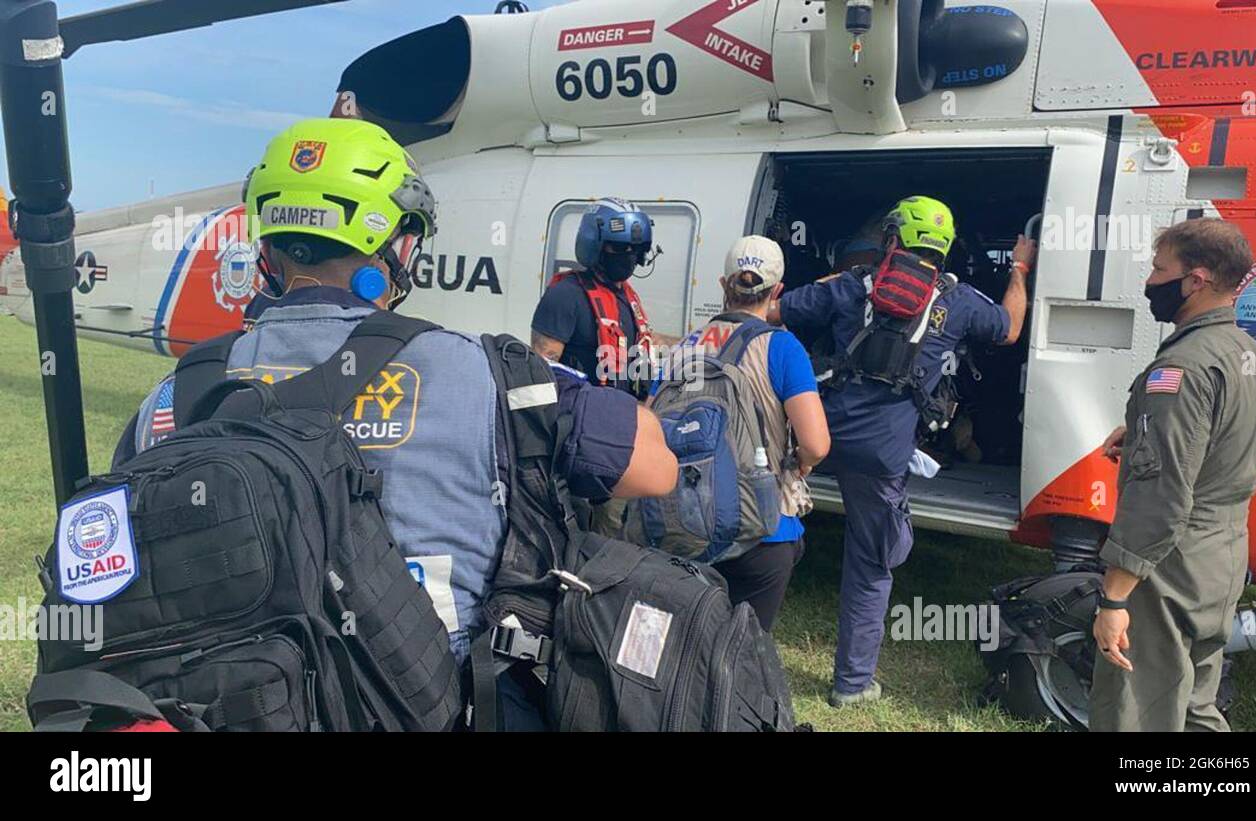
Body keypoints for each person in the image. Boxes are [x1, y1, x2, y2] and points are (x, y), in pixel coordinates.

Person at [112, 118, 678, 729]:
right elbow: (656, 467)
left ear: (268, 246)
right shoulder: (487, 372)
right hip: (429, 707)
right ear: (396, 244)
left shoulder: (178, 392)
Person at [773, 195, 1034, 707]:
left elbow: (777, 310)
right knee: (870, 565)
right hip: (882, 454)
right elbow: (1011, 327)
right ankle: (851, 684)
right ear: (943, 248)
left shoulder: (853, 285)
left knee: (767, 531)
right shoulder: (958, 301)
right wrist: (1020, 268)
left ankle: (736, 630)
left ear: (893, 239)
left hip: (815, 438)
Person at [1090, 218, 1256, 732]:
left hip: (1169, 565)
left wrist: (1114, 597)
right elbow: (1246, 455)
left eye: (1159, 269)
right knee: (1197, 705)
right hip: (1224, 554)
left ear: (1195, 280)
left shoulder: (1180, 368)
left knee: (1135, 709)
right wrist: (1141, 434)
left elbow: (1160, 498)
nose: (1151, 280)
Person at [661, 236, 830, 630]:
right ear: (777, 292)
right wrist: (800, 465)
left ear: (724, 286)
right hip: (764, 528)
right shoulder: (783, 348)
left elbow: (656, 426)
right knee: (746, 650)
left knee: (687, 643)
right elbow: (817, 444)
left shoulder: (685, 347)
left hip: (688, 522)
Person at [530, 197, 678, 535]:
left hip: (619, 430)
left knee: (613, 526)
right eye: (617, 249)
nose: (627, 258)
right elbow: (540, 368)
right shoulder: (565, 296)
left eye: (634, 250)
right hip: (577, 435)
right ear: (596, 247)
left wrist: (693, 344)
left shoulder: (626, 297)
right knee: (574, 526)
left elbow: (638, 342)